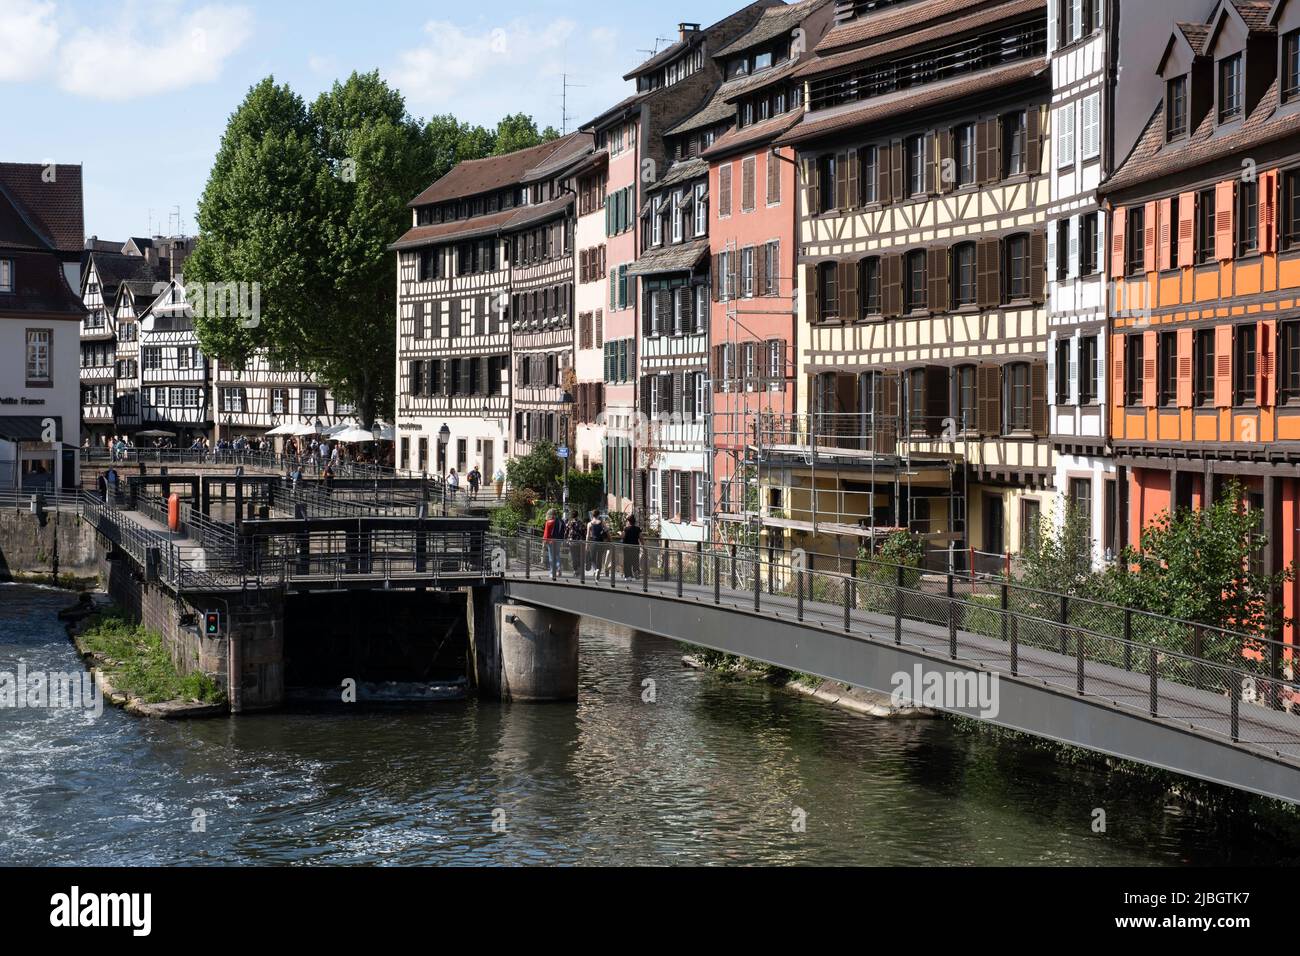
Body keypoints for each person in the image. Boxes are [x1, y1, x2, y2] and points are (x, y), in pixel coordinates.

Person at [586, 510, 609, 581]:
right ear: (598, 515)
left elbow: (587, 535)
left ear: (592, 515)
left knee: (592, 558)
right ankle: (598, 569)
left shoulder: (589, 524)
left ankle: (596, 569)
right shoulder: (602, 523)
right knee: (599, 558)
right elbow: (607, 530)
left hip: (593, 542)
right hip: (601, 542)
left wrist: (587, 544)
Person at [621, 513, 642, 579]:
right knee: (635, 560)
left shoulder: (626, 529)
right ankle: (636, 571)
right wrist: (643, 546)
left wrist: (620, 533)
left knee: (627, 562)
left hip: (627, 548)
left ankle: (628, 575)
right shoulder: (638, 529)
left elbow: (623, 537)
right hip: (635, 547)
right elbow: (641, 538)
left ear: (628, 521)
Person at [564, 508, 584, 575]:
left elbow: (566, 532)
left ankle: (575, 570)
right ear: (577, 515)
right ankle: (579, 569)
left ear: (571, 516)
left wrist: (566, 539)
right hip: (579, 542)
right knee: (579, 556)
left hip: (571, 542)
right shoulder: (581, 523)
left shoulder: (569, 523)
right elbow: (584, 532)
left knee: (573, 556)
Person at [542, 508, 561, 579]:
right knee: (557, 554)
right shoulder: (559, 521)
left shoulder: (548, 522)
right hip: (558, 540)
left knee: (551, 557)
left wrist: (544, 542)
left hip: (551, 541)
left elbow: (546, 534)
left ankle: (552, 572)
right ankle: (559, 567)